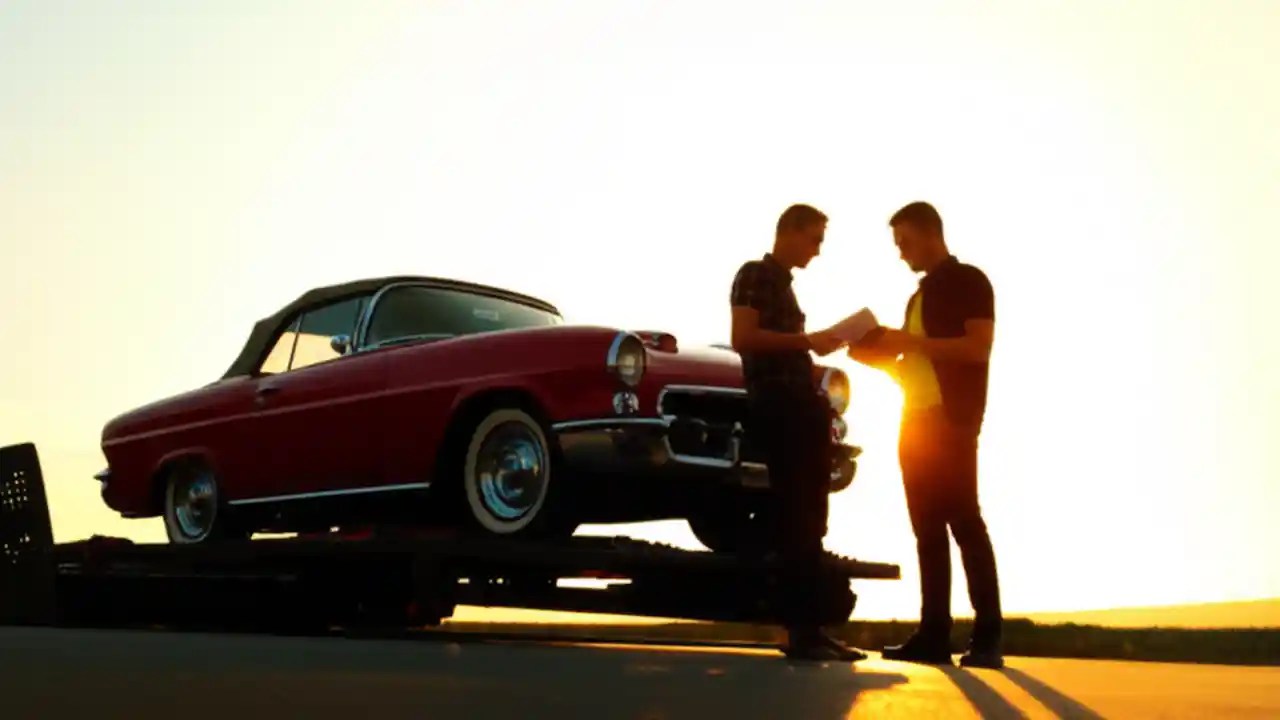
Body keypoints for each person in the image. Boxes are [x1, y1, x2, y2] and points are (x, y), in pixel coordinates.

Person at [848, 200, 1004, 669]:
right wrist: (880, 357)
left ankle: (988, 637)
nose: (901, 254)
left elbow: (977, 349)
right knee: (927, 532)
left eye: (905, 243)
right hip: (913, 423)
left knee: (965, 523)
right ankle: (934, 635)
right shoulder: (918, 296)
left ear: (930, 235)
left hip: (951, 421)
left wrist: (909, 342)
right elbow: (916, 365)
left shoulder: (970, 281)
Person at [729, 203, 865, 662]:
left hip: (801, 406)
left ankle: (808, 628)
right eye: (814, 239)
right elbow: (744, 339)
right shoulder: (753, 274)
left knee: (811, 514)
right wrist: (808, 341)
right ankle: (803, 631)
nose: (818, 250)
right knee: (798, 514)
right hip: (777, 406)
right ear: (788, 233)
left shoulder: (785, 288)